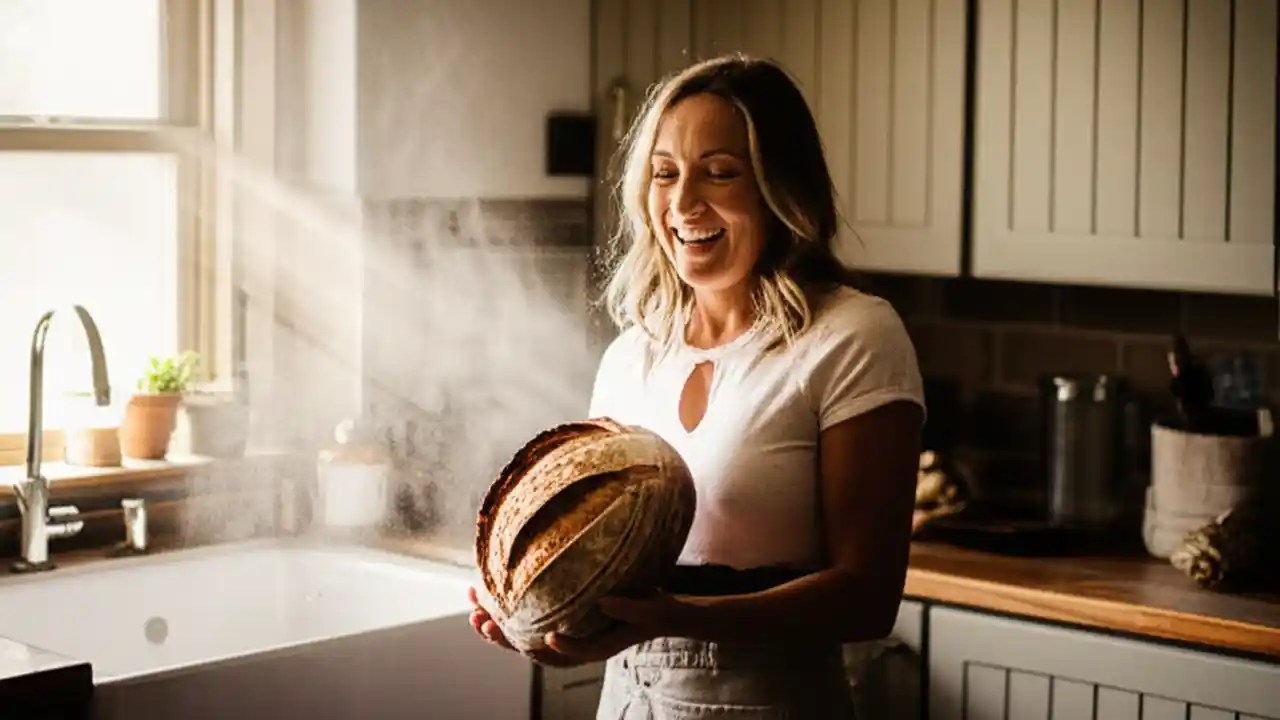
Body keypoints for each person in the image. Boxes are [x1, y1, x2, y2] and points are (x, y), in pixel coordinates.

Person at [469, 53, 925, 718]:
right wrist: (549, 617)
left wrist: (677, 618)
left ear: (781, 189)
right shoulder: (631, 357)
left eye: (720, 172)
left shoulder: (852, 337)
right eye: (664, 173)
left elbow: (867, 597)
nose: (682, 203)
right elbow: (615, 574)